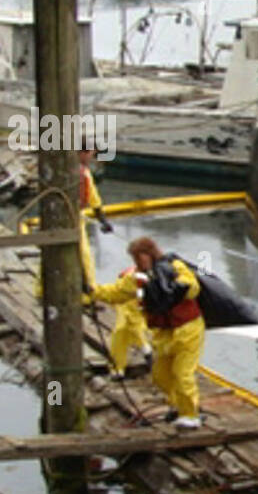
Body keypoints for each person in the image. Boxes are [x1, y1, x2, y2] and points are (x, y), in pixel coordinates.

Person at [91, 237, 204, 429]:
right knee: (160, 375)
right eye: (134, 258)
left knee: (182, 374)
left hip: (188, 329)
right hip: (164, 332)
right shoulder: (136, 278)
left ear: (149, 253)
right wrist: (90, 291)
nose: (136, 262)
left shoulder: (174, 266)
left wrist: (174, 285)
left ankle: (191, 414)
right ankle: (178, 405)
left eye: (139, 257)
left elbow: (192, 287)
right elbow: (115, 292)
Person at [105, 264, 152, 379]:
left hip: (138, 296)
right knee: (121, 329)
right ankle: (118, 369)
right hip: (126, 294)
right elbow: (132, 317)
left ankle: (119, 368)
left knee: (135, 326)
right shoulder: (132, 283)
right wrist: (144, 347)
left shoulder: (154, 282)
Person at [77, 149, 112, 290]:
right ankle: (88, 290)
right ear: (82, 153)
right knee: (84, 256)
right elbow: (94, 200)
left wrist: (103, 220)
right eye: (90, 154)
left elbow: (94, 198)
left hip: (73, 217)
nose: (91, 157)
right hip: (72, 219)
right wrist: (103, 220)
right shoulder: (81, 173)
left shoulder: (83, 172)